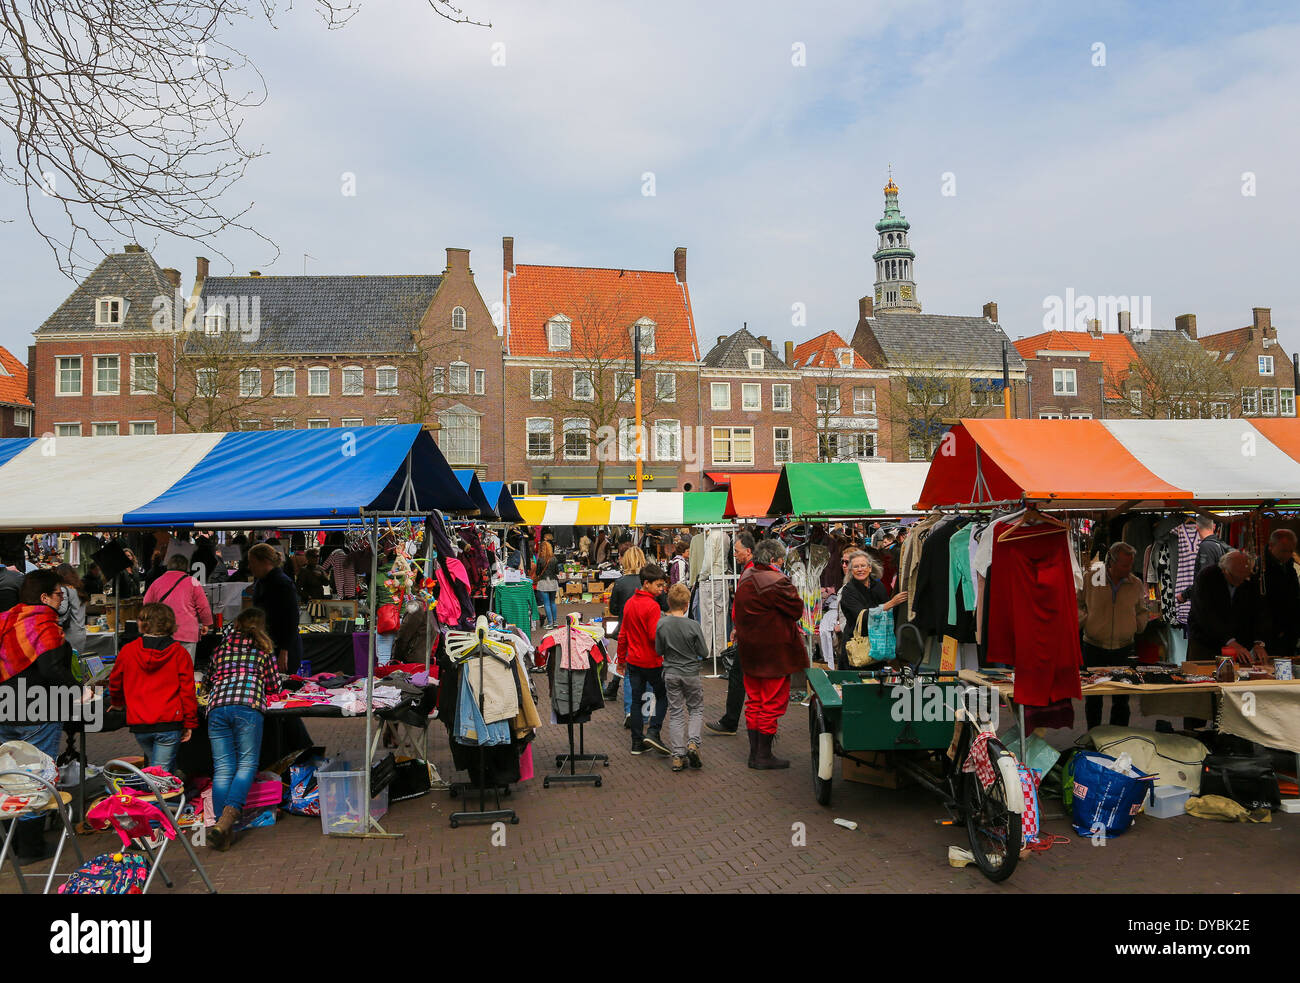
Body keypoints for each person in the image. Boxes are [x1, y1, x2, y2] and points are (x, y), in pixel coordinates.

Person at [0, 570, 81, 860]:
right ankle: (31, 846)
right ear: (45, 597)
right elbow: (50, 670)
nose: (62, 598)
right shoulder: (43, 624)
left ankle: (9, 843)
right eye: (60, 593)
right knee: (36, 776)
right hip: (37, 708)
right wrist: (78, 691)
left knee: (8, 775)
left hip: (4, 706)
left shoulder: (7, 619)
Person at [205, 607, 281, 851]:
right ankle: (228, 818)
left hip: (217, 708)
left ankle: (222, 827)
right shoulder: (262, 650)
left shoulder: (221, 649)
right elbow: (274, 684)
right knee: (246, 764)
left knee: (223, 769)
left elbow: (208, 680)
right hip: (248, 706)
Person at [733, 539, 806, 769]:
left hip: (750, 649)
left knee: (754, 701)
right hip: (773, 651)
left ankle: (755, 754)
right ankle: (762, 755)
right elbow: (796, 610)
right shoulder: (777, 580)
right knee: (771, 703)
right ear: (775, 559)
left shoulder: (746, 576)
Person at [107, 603, 197, 774]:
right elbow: (188, 691)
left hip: (140, 722)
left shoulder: (128, 651)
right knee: (159, 775)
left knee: (156, 770)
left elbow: (115, 682)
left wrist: (117, 703)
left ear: (143, 623)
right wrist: (190, 722)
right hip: (169, 721)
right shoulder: (179, 653)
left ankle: (163, 794)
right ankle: (158, 799)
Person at [1077, 542, 1152, 729]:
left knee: (1122, 697)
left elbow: (1142, 610)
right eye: (1125, 565)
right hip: (1094, 645)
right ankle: (1092, 736)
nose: (1129, 569)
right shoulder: (1090, 579)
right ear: (1111, 562)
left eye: (1130, 565)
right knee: (1094, 697)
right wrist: (1086, 620)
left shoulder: (1135, 583)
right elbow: (1076, 604)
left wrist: (1137, 625)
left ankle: (1118, 737)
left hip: (1124, 647)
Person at [706, 531, 756, 737]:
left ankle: (731, 721)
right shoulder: (749, 570)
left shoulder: (751, 572)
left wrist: (739, 627)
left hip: (750, 634)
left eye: (737, 551)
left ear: (748, 551)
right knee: (739, 676)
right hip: (747, 632)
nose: (734, 554)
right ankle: (731, 720)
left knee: (738, 676)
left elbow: (747, 604)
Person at [618, 563, 670, 756]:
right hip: (652, 661)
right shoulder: (653, 606)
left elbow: (623, 634)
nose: (661, 589)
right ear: (646, 584)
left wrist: (621, 659)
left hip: (633, 661)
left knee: (637, 701)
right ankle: (654, 731)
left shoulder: (630, 603)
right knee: (663, 696)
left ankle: (637, 742)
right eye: (658, 585)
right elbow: (652, 635)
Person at [656, 583, 709, 772]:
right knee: (695, 708)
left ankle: (678, 755)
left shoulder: (662, 624)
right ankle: (693, 743)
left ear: (669, 603)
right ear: (687, 605)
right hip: (691, 673)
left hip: (671, 672)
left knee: (676, 712)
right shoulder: (693, 625)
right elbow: (704, 651)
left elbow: (658, 650)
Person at [1186, 550, 1266, 663]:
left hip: (1238, 644)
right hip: (1205, 642)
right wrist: (1230, 642)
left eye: (1246, 576)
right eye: (1238, 578)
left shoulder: (1248, 579)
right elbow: (1206, 614)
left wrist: (1258, 642)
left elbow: (1258, 611)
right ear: (1225, 571)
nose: (1242, 581)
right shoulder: (1207, 577)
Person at [836, 551, 907, 668]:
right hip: (857, 645)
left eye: (863, 566)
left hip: (878, 645)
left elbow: (888, 617)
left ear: (870, 568)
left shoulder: (878, 587)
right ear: (851, 571)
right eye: (856, 567)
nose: (860, 569)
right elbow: (862, 617)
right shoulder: (848, 591)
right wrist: (889, 604)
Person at [142, 555, 214, 659]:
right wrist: (207, 624)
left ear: (168, 566)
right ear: (186, 567)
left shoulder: (157, 582)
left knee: (165, 668)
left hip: (162, 632)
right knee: (185, 667)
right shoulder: (193, 581)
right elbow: (203, 606)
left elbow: (146, 604)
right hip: (187, 633)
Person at [247, 543, 302, 672]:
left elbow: (292, 619)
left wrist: (284, 650)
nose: (250, 567)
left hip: (283, 648)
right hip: (266, 645)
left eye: (252, 562)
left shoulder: (283, 583)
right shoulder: (261, 582)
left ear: (265, 562)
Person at [1258, 529, 1299, 660]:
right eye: (1283, 551)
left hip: (1289, 632)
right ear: (1271, 546)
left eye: (1290, 551)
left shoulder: (1289, 568)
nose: (1287, 554)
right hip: (1268, 635)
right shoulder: (1261, 569)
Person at [54, 563, 88, 654]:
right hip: (81, 632)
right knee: (76, 664)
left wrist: (50, 605)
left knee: (69, 665)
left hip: (69, 633)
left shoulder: (64, 590)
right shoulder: (79, 588)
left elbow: (62, 609)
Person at [531, 541, 560, 630]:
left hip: (543, 582)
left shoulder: (540, 559)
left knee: (546, 604)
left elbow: (538, 572)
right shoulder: (554, 559)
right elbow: (557, 571)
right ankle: (555, 622)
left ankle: (550, 623)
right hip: (553, 581)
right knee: (552, 602)